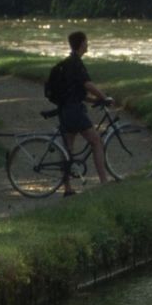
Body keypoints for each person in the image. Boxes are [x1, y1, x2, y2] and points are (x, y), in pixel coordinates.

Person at [50, 30, 114, 195]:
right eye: (86, 42)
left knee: (68, 149)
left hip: (66, 109)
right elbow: (88, 85)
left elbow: (77, 92)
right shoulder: (76, 64)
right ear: (81, 44)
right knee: (96, 141)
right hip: (74, 111)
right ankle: (104, 182)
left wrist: (94, 101)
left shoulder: (68, 62)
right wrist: (104, 97)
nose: (88, 44)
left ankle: (68, 188)